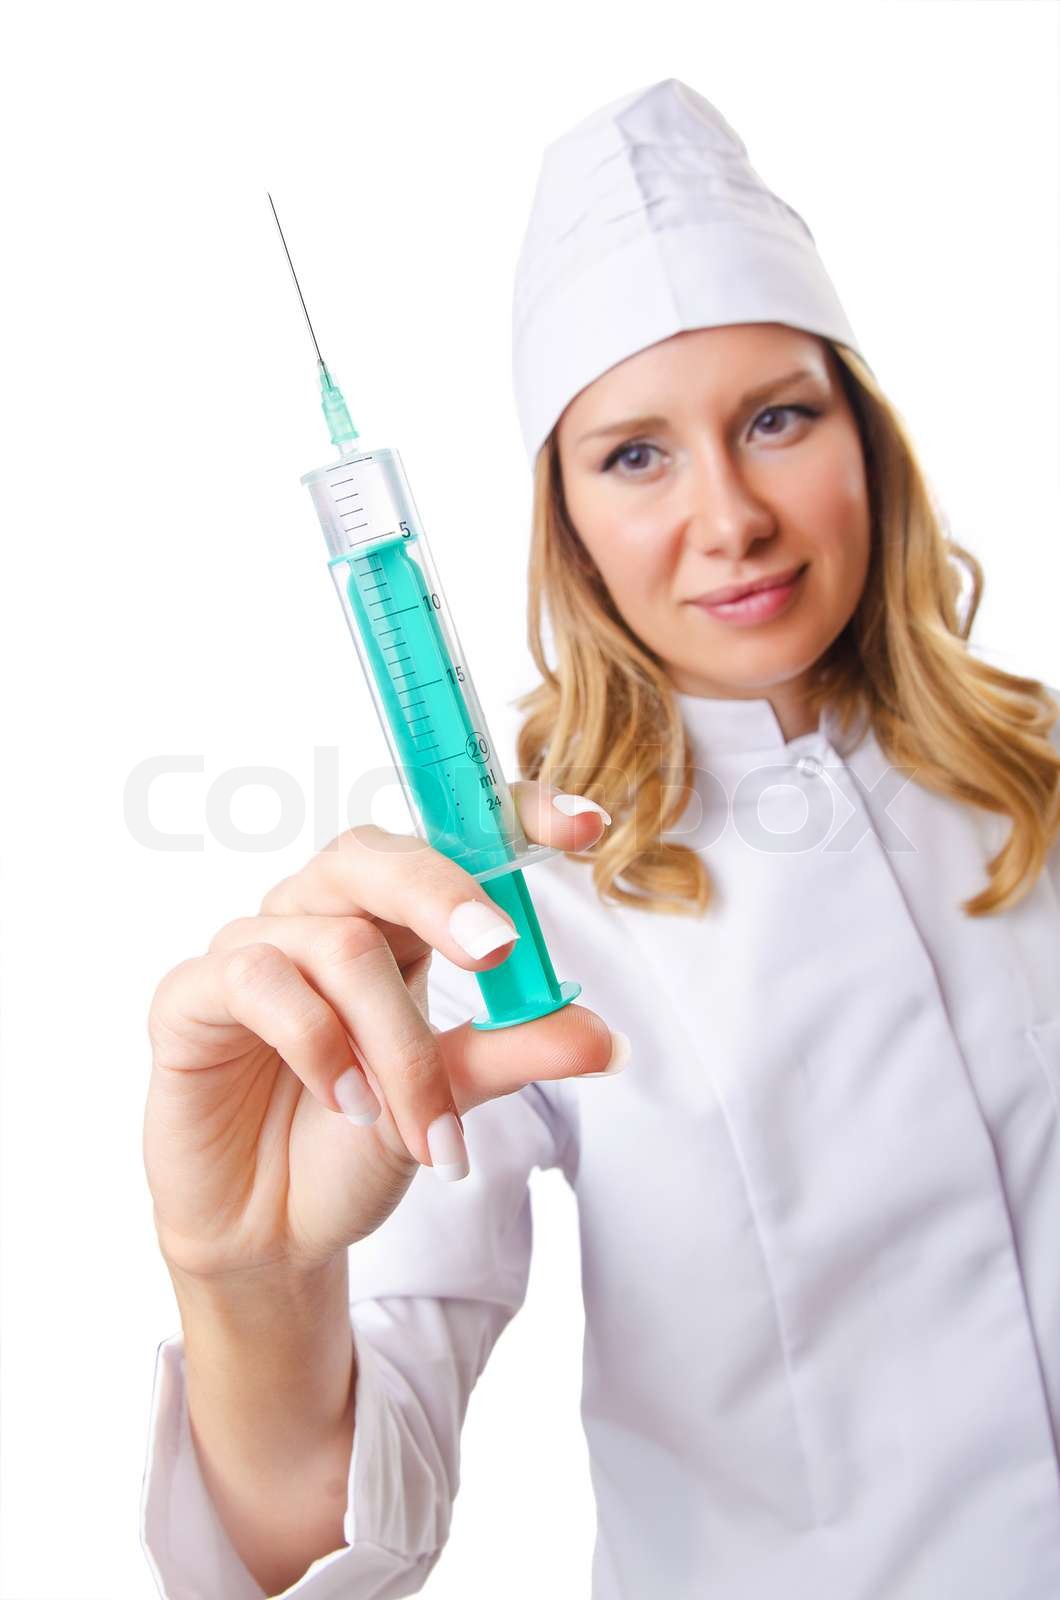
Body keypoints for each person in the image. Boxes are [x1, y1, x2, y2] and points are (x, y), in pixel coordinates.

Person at [140, 78, 1060, 1599]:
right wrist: (244, 1284)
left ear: (869, 442)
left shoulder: (1037, 794)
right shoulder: (511, 920)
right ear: (561, 519)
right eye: (635, 453)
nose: (732, 518)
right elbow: (335, 1527)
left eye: (778, 418)